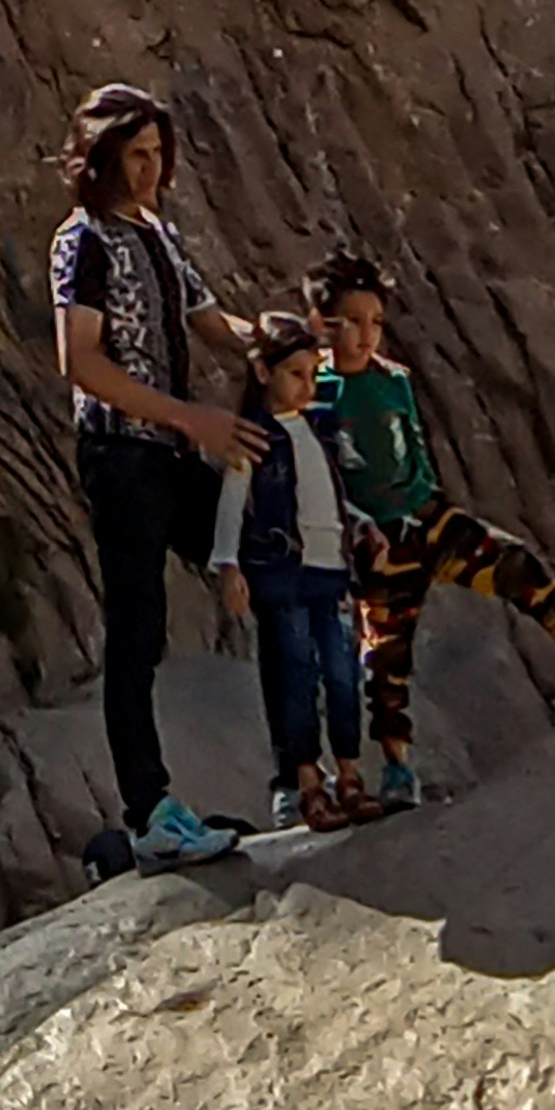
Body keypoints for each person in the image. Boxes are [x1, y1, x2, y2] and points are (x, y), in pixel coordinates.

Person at [301, 252, 555, 805]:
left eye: (375, 322)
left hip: (425, 516)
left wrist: (430, 499)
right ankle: (398, 769)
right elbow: (323, 475)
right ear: (320, 325)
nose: (365, 335)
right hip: (376, 542)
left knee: (513, 563)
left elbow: (415, 451)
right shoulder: (319, 396)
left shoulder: (393, 381)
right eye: (350, 322)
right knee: (386, 657)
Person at [45, 87, 257, 874]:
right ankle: (149, 814)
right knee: (138, 630)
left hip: (167, 452)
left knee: (265, 557)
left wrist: (274, 339)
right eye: (136, 153)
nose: (152, 168)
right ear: (100, 157)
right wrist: (187, 417)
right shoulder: (83, 240)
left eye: (159, 152)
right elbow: (81, 362)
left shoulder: (154, 231)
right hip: (122, 455)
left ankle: (301, 769)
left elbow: (211, 321)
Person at [219, 319, 375, 828]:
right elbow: (233, 501)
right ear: (264, 372)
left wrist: (362, 524)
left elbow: (332, 491)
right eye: (295, 374)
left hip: (331, 569)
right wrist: (228, 564)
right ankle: (309, 783)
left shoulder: (321, 428)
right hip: (283, 572)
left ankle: (350, 774)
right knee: (296, 677)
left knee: (342, 673)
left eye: (312, 374)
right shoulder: (254, 437)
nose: (306, 386)